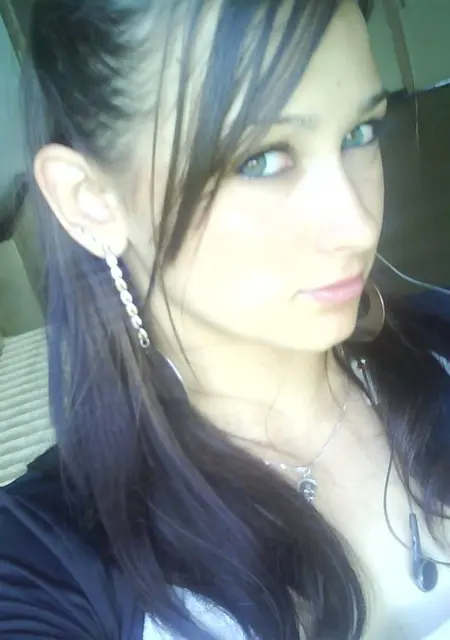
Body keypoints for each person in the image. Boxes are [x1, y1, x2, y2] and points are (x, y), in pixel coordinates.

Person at [1, 0, 450, 638]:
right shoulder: (43, 559)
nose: (356, 226)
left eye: (360, 132)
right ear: (92, 201)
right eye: (260, 159)